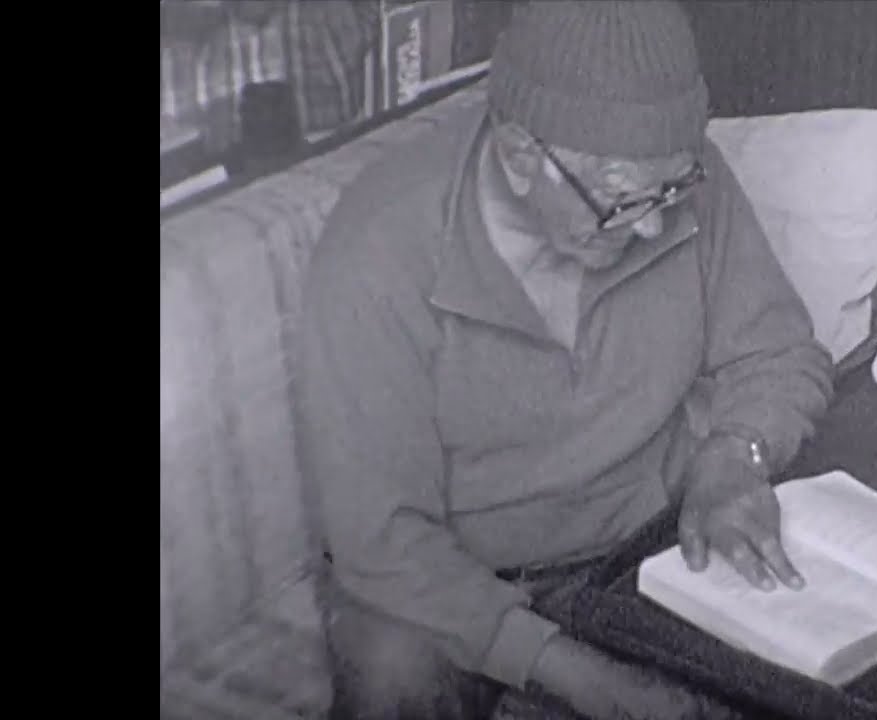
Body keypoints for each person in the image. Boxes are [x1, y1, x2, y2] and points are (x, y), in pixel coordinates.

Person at [293, 2, 835, 718]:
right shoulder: (378, 247)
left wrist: (734, 454)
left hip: (636, 555)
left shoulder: (678, 181)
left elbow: (781, 354)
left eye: (670, 190)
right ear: (521, 158)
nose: (654, 224)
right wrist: (581, 676)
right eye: (620, 201)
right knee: (392, 671)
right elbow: (382, 537)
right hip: (446, 584)